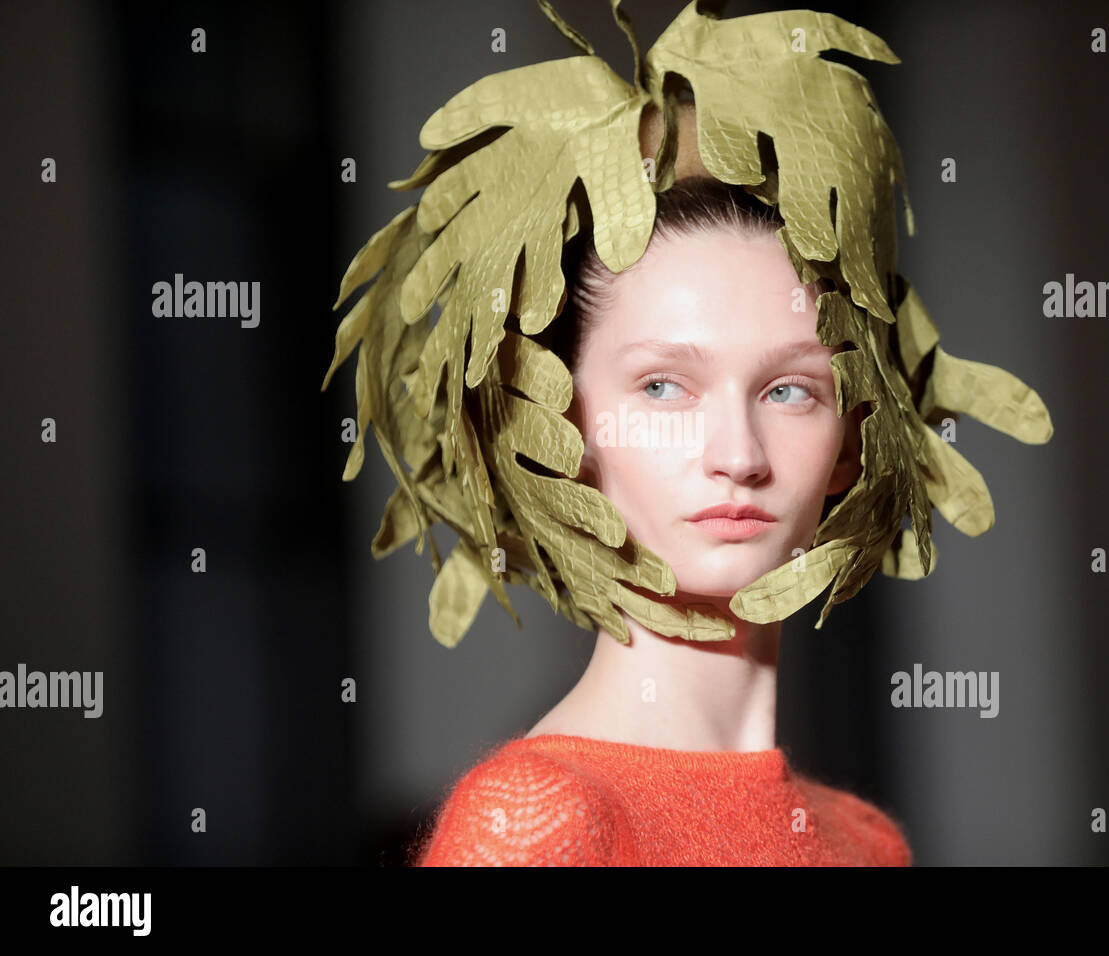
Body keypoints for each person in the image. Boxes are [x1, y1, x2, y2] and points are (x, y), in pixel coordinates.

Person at [325, 0, 1052, 866]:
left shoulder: (866, 842)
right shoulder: (536, 824)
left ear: (853, 439)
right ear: (557, 422)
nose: (738, 456)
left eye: (790, 391)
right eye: (663, 386)